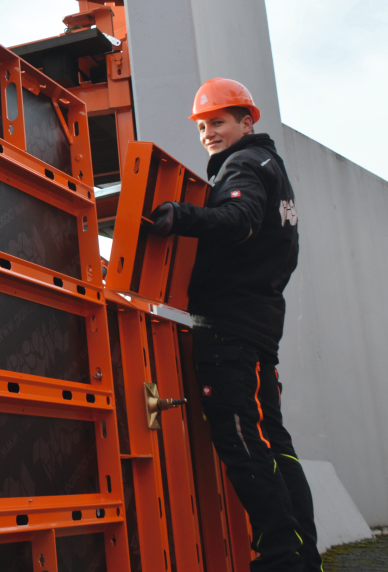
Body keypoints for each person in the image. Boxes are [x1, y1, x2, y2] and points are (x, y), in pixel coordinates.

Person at [148, 78, 320, 572]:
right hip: (257, 328)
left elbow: (240, 220)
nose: (208, 133)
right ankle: (303, 559)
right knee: (272, 443)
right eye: (202, 126)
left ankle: (281, 560)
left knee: (244, 446)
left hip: (229, 333)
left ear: (248, 122)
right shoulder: (273, 170)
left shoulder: (243, 165)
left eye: (218, 122)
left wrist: (181, 215)